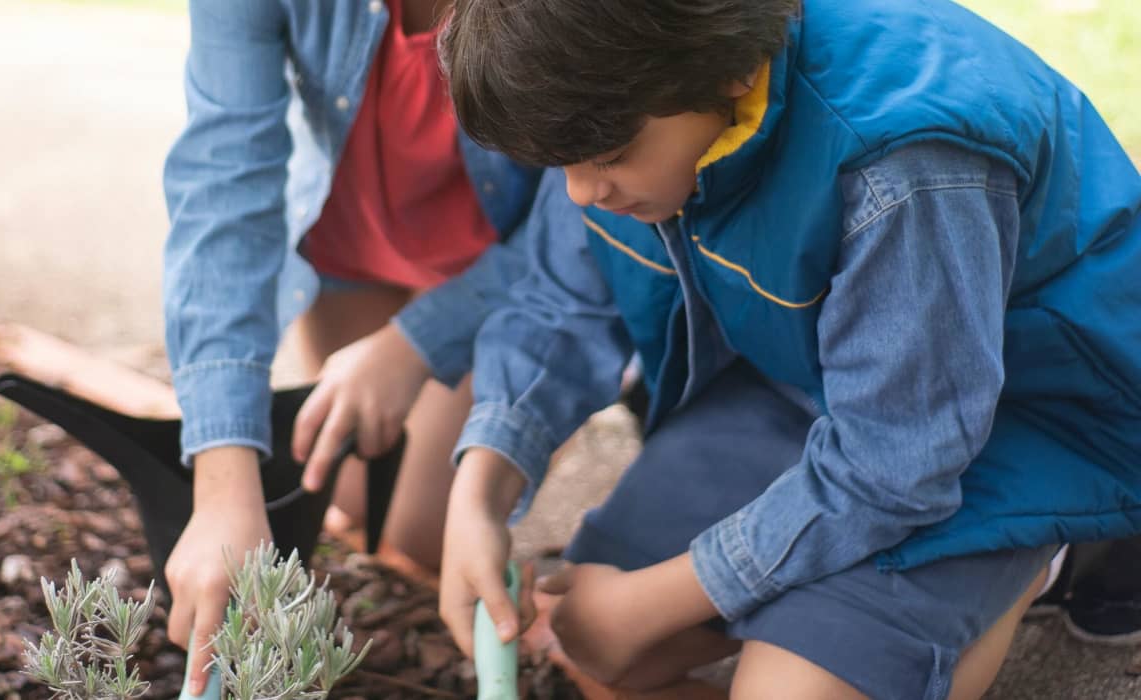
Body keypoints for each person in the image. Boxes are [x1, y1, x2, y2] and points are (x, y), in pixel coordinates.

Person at [434, 1, 1141, 698]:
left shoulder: (903, 165)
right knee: (593, 644)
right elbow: (559, 302)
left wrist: (642, 604)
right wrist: (480, 496)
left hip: (1023, 416)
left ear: (734, 71)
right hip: (812, 380)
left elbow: (897, 463)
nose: (582, 193)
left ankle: (1042, 543)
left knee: (776, 684)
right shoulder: (621, 89)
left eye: (610, 159)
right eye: (563, 165)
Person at [159, 0, 561, 694]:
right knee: (347, 498)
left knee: (419, 533)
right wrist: (222, 482)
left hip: (501, 268)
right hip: (353, 253)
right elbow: (222, 188)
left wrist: (414, 344)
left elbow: (583, 219)